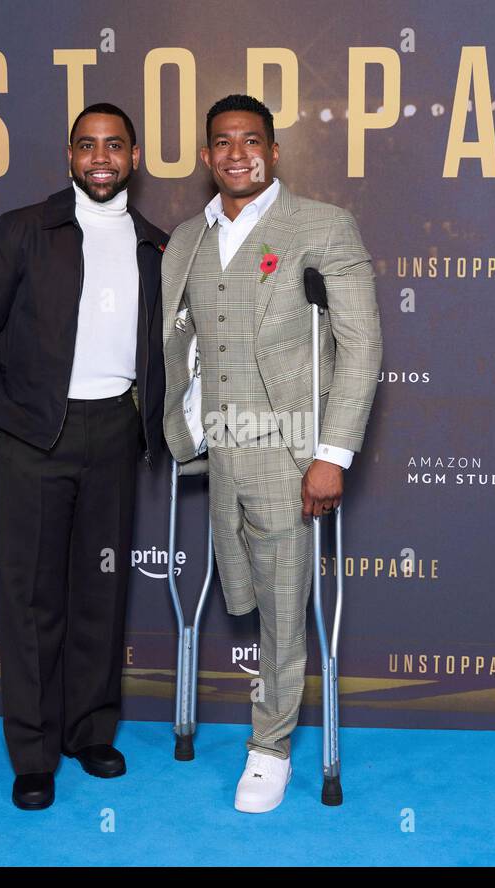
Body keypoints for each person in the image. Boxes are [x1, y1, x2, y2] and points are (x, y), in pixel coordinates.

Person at [161, 94, 382, 813]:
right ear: (206, 157)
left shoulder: (322, 225)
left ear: (274, 150)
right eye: (221, 142)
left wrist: (333, 454)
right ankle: (258, 732)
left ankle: (271, 747)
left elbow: (361, 346)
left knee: (286, 609)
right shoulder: (188, 238)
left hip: (290, 450)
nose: (236, 153)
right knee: (242, 593)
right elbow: (183, 340)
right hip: (221, 449)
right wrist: (183, 427)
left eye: (251, 140)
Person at [0, 103, 169, 810]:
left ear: (134, 156)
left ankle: (90, 731)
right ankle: (34, 751)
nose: (100, 158)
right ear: (69, 156)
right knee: (33, 599)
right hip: (35, 437)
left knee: (100, 595)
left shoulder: (154, 245)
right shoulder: (25, 230)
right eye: (87, 146)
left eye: (113, 146)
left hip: (115, 431)